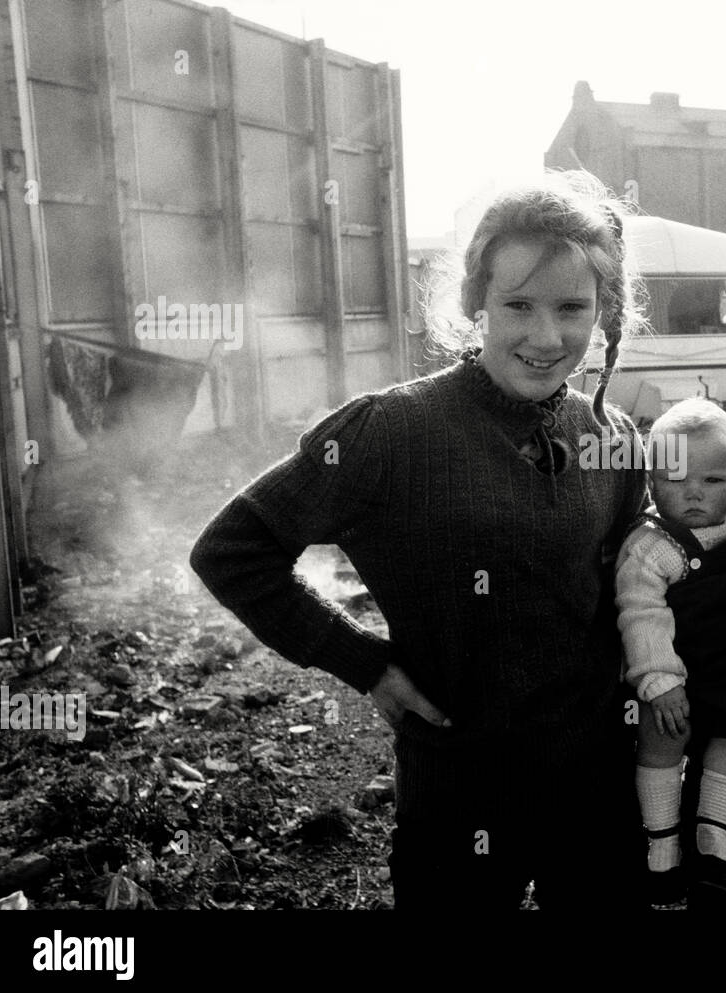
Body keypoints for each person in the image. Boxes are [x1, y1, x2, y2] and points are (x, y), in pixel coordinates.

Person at [189, 170, 650, 913]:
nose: (546, 336)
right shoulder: (390, 433)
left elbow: (633, 591)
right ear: (475, 303)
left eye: (572, 308)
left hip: (594, 788)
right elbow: (233, 551)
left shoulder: (612, 438)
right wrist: (364, 662)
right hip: (458, 794)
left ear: (604, 311)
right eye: (518, 305)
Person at [615, 398, 726, 903]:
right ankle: (661, 841)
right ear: (651, 484)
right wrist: (659, 681)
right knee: (661, 739)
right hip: (674, 678)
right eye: (675, 480)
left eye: (712, 481)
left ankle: (714, 832)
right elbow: (641, 614)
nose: (694, 495)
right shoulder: (653, 545)